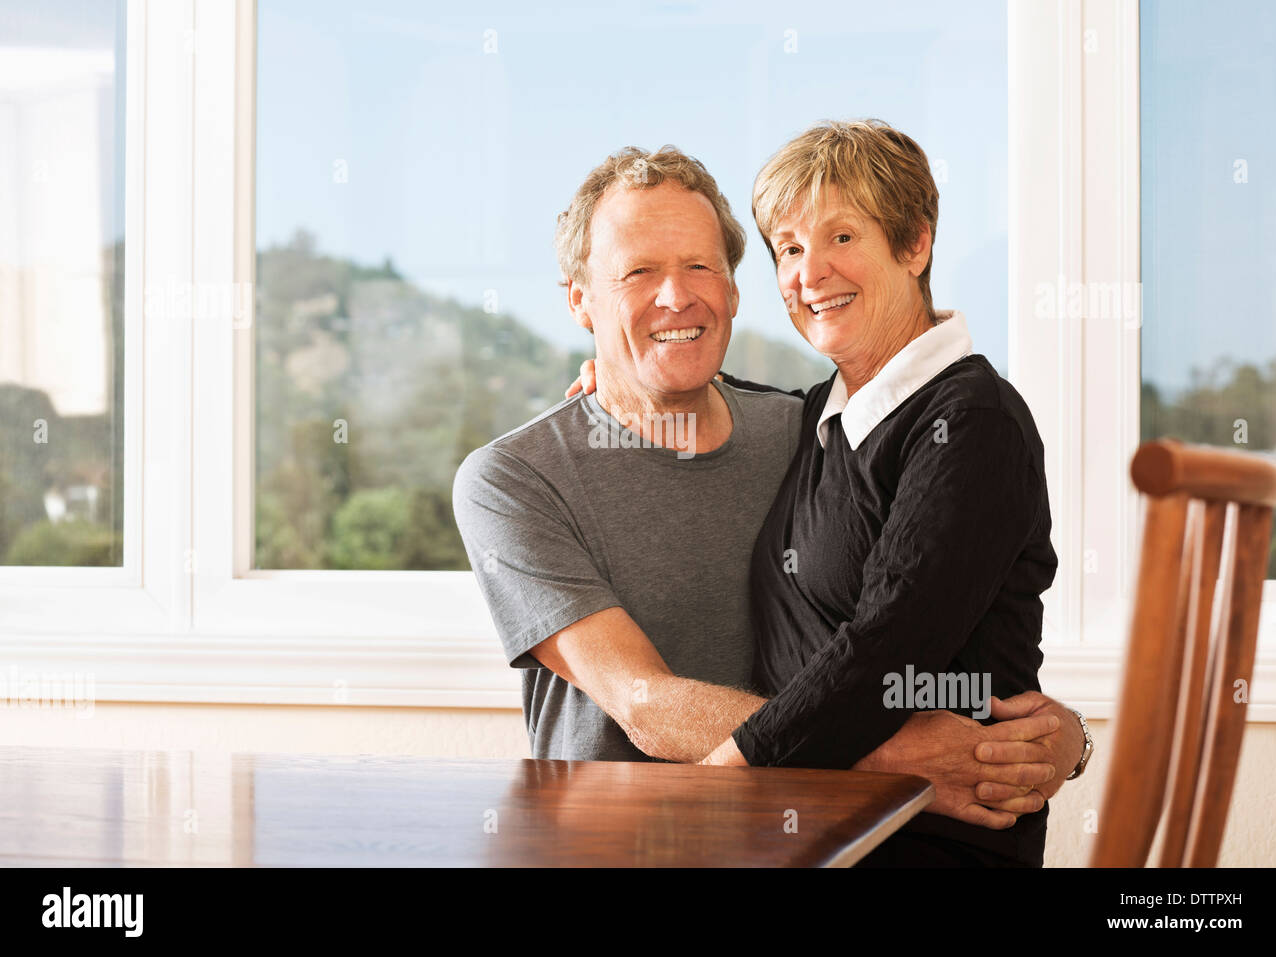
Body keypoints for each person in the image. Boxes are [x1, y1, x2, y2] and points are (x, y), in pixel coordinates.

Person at [452, 144, 1081, 849]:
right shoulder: (511, 479)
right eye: (638, 273)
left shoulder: (809, 429)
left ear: (732, 291)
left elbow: (927, 612)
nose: (675, 296)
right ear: (580, 300)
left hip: (794, 847)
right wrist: (898, 757)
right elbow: (643, 702)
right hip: (611, 847)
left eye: (700, 266)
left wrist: (1058, 734)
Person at [672, 119, 1085, 866]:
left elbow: (887, 651)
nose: (810, 272)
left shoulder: (973, 422)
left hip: (926, 842)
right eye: (789, 249)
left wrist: (717, 781)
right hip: (814, 831)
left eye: (841, 237)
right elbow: (707, 392)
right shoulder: (818, 421)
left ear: (915, 244)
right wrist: (618, 386)